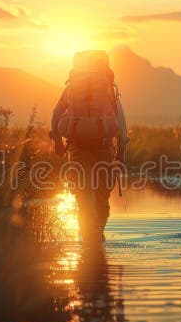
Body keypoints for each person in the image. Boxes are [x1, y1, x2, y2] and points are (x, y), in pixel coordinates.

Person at [51, 50, 128, 243]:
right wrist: (121, 153)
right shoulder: (109, 89)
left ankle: (88, 238)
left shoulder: (71, 87)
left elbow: (56, 114)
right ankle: (97, 234)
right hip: (104, 148)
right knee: (102, 196)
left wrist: (58, 142)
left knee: (83, 195)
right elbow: (121, 123)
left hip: (77, 148)